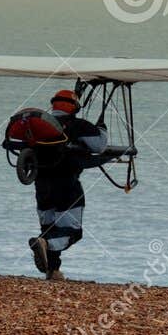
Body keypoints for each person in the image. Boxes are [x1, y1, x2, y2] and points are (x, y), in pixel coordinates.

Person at [29, 88, 108, 280]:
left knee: (49, 227)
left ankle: (53, 271)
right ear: (74, 107)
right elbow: (100, 146)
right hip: (66, 184)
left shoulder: (40, 125)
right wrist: (102, 129)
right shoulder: (78, 125)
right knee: (72, 231)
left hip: (41, 185)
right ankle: (46, 244)